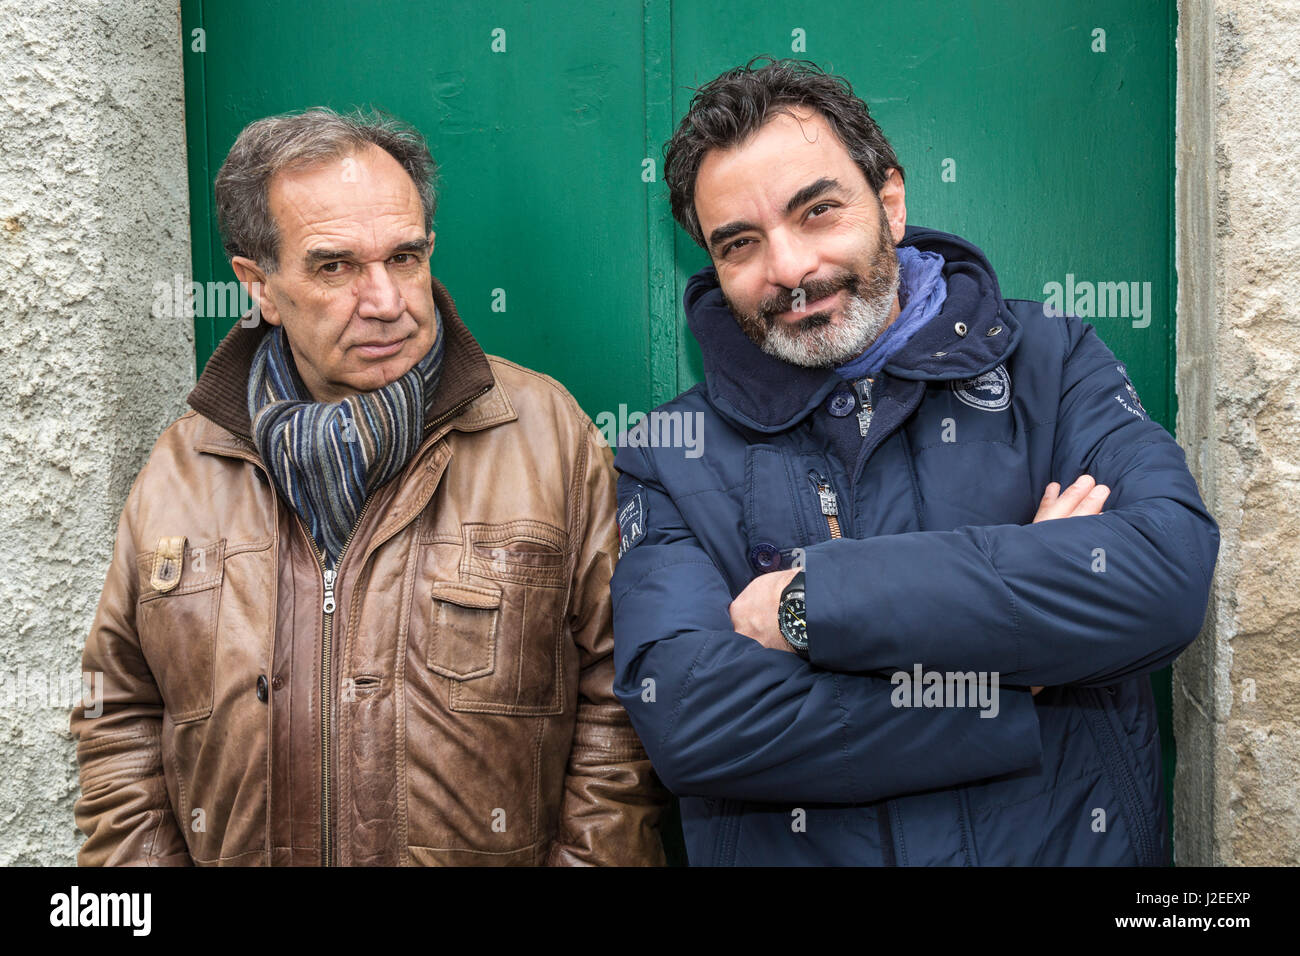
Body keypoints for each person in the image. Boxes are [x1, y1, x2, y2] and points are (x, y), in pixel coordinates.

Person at [610, 58, 1218, 865]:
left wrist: (809, 605)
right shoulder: (668, 456)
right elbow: (692, 720)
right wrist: (1012, 680)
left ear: (889, 201)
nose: (789, 270)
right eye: (741, 244)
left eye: (817, 211)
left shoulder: (1050, 360)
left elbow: (1163, 577)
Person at [71, 107, 666, 866]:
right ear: (259, 285)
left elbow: (624, 696)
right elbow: (117, 711)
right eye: (335, 267)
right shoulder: (185, 466)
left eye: (405, 258)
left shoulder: (545, 434)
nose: (386, 301)